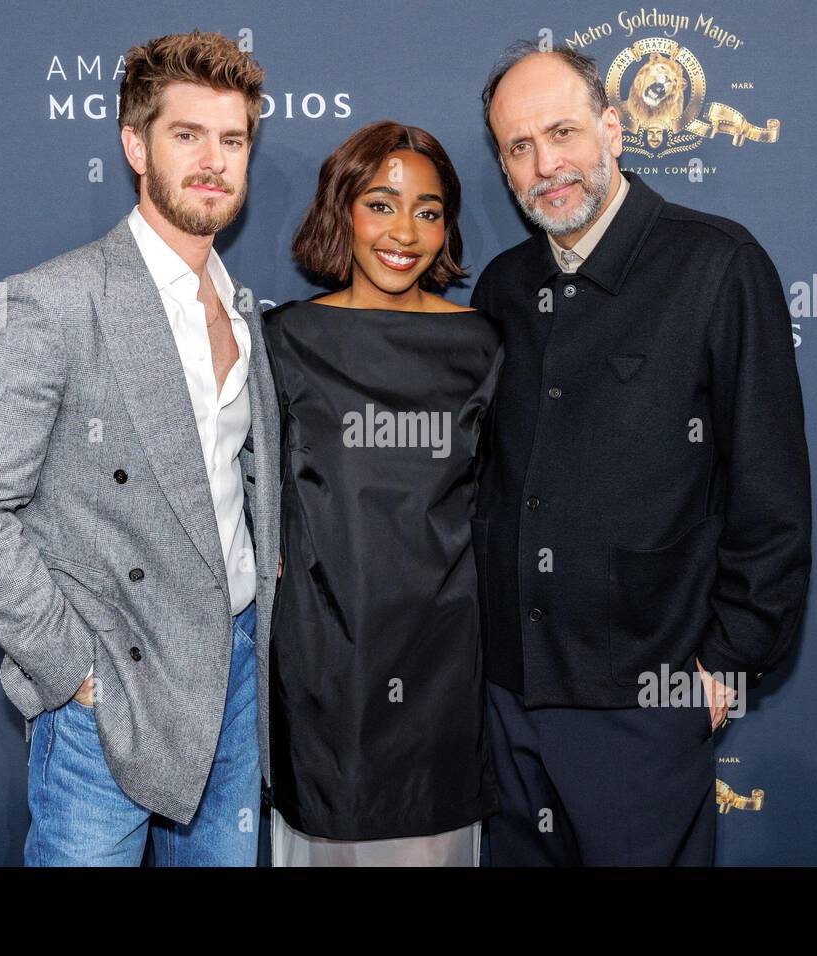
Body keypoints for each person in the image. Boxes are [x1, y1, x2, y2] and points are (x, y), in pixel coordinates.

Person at [0, 31, 279, 866]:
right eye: (186, 135)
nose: (214, 162)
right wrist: (74, 671)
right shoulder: (51, 303)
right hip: (110, 689)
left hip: (236, 675)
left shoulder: (243, 310)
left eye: (232, 140)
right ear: (134, 144)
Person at [472, 41, 812, 865]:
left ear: (614, 128)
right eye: (519, 147)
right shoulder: (502, 287)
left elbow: (771, 493)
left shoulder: (719, 265)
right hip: (507, 698)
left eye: (562, 132)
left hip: (648, 703)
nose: (546, 164)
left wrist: (725, 664)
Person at [261, 120, 502, 866]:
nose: (405, 232)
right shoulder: (284, 341)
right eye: (381, 204)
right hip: (324, 674)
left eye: (428, 211)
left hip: (444, 677)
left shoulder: (485, 345)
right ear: (343, 210)